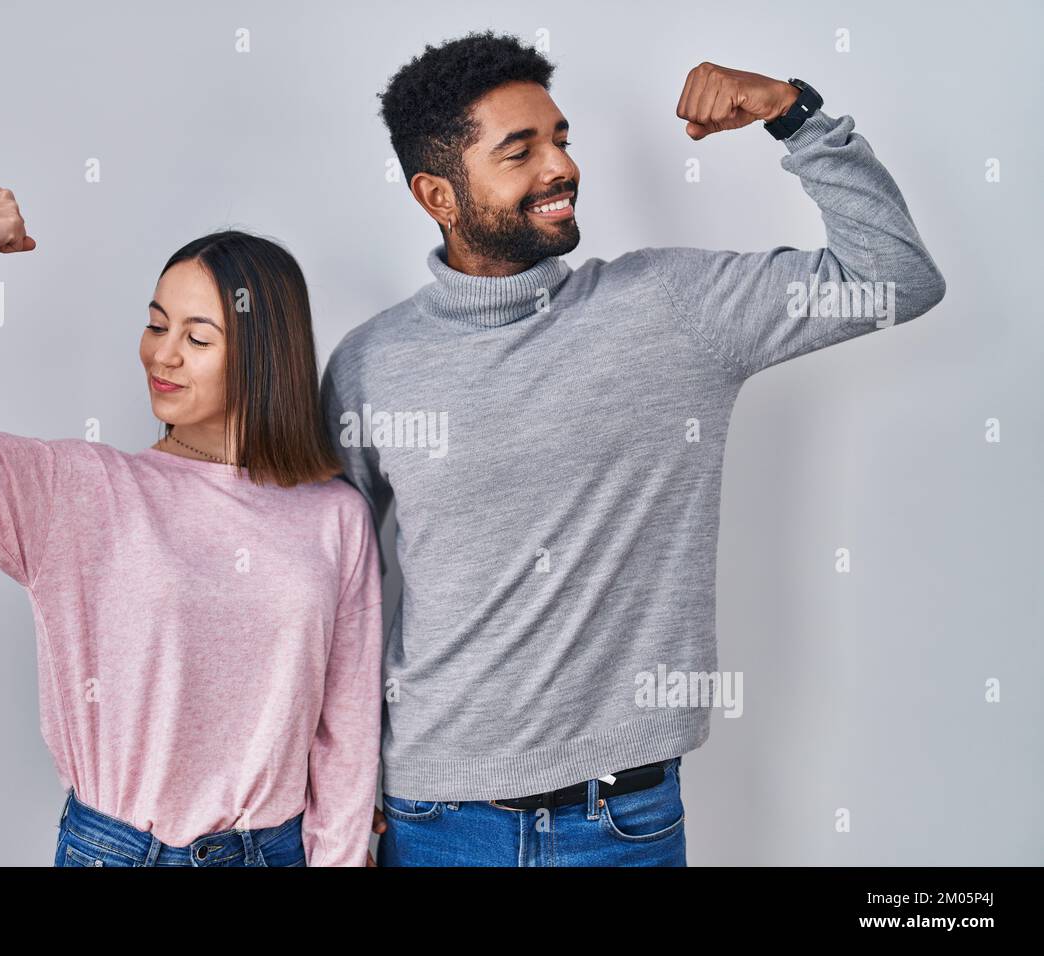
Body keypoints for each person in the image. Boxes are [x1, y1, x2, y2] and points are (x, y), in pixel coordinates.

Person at [320, 33, 946, 866]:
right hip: (431, 816)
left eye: (561, 138)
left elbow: (898, 277)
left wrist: (795, 116)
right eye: (522, 150)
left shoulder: (672, 307)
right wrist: (333, 797)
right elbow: (333, 591)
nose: (561, 167)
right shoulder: (372, 363)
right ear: (438, 192)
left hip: (620, 820)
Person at [0, 187, 382, 866]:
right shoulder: (82, 491)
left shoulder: (334, 518)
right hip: (116, 850)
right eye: (155, 325)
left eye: (196, 336)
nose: (162, 355)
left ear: (265, 356)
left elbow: (346, 739)